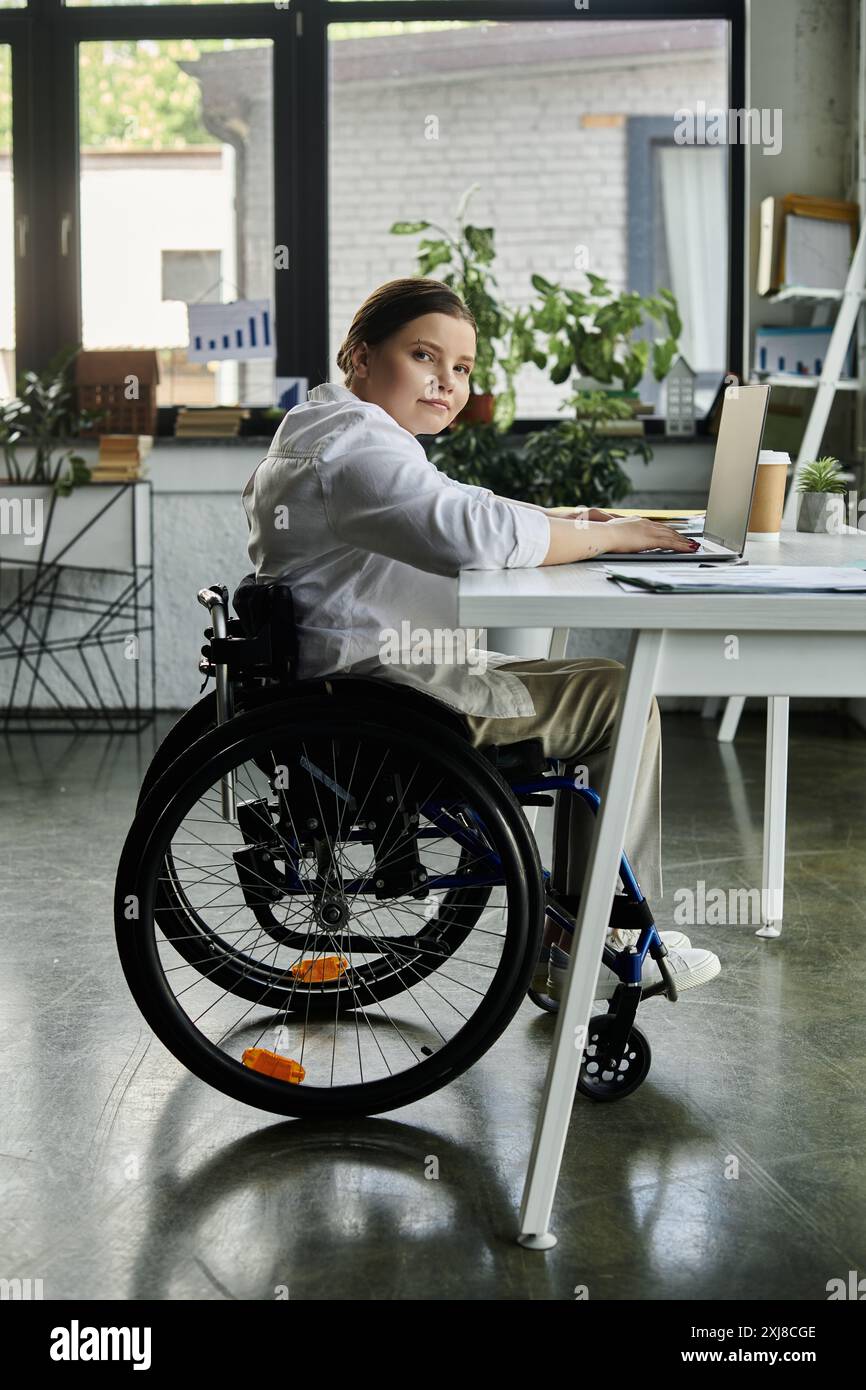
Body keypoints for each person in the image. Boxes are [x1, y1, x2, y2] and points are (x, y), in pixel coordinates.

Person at [241, 276, 721, 1007]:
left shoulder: (326, 430)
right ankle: (598, 942)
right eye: (425, 356)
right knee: (618, 698)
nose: (447, 382)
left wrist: (572, 522)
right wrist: (615, 535)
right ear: (360, 357)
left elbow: (454, 505)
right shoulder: (354, 448)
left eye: (462, 369)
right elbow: (470, 530)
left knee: (590, 681)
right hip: (390, 695)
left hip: (362, 679)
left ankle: (575, 929)